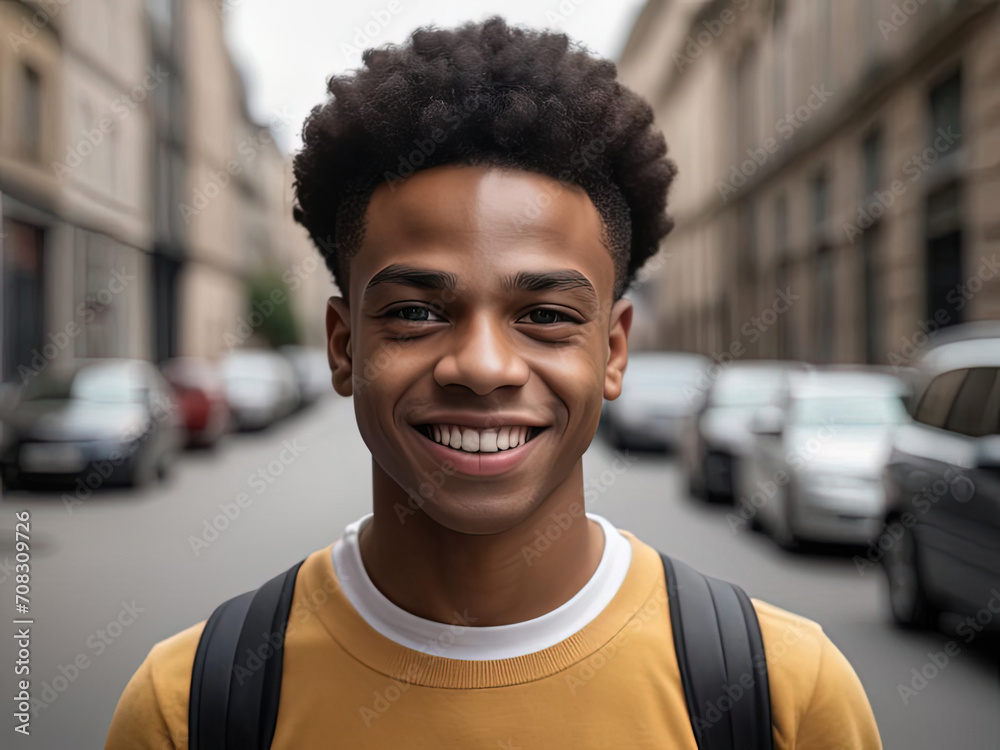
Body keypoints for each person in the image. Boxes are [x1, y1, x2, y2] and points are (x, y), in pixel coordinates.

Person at [105, 16, 882, 749]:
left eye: (544, 315)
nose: (481, 367)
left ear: (613, 352)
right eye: (416, 310)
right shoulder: (190, 709)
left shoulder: (785, 698)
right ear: (343, 347)